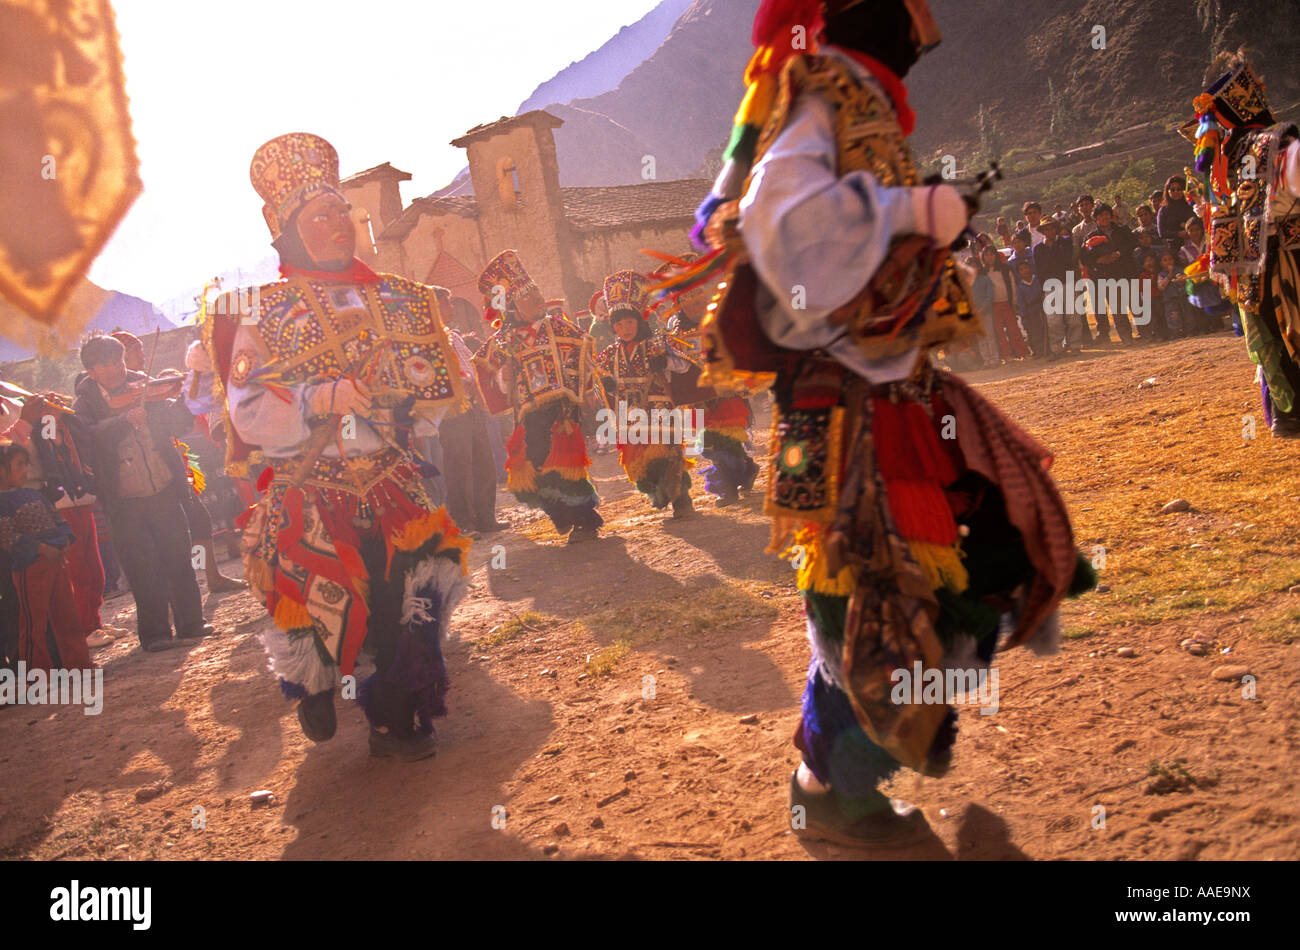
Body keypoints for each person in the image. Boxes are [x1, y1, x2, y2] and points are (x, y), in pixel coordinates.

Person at [691, 0, 1094, 846]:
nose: (925, 25)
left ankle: (830, 776)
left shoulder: (853, 101)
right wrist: (912, 215)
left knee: (956, 570)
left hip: (892, 399)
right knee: (873, 603)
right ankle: (834, 786)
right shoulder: (824, 94)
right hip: (835, 412)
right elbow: (780, 220)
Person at [208, 132, 471, 759]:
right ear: (289, 232)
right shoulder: (262, 312)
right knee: (318, 597)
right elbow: (245, 408)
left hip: (388, 476)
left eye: (341, 211)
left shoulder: (396, 298)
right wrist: (315, 399)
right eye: (318, 215)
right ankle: (316, 688)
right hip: (313, 479)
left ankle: (397, 714)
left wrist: (412, 406)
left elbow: (428, 389)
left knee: (413, 596)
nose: (338, 224)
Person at [73, 335, 211, 652]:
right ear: (91, 371)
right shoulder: (84, 403)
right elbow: (89, 439)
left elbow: (177, 424)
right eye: (105, 364)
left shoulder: (145, 386)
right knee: (142, 566)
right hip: (123, 497)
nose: (115, 369)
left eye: (118, 361)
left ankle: (192, 624)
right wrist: (123, 420)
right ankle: (155, 634)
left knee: (179, 557)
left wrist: (183, 397)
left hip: (163, 486)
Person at [1186, 54, 1300, 436]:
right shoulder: (1280, 142)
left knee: (1268, 334)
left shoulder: (1227, 153)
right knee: (1290, 328)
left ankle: (1285, 415)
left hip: (1247, 266)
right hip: (1286, 254)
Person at [473, 250, 604, 543]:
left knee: (565, 464)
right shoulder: (504, 339)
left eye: (538, 297)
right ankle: (562, 514)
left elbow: (581, 349)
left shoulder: (555, 325)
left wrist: (583, 390)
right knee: (532, 467)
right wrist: (502, 377)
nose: (538, 303)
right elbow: (486, 369)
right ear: (512, 305)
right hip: (528, 414)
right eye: (529, 299)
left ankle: (584, 520)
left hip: (561, 409)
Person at [114, 331, 244, 593]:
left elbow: (175, 422)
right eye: (136, 351)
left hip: (168, 460)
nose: (142, 355)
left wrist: (187, 391)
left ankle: (211, 576)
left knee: (197, 516)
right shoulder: (111, 393)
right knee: (165, 532)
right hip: (141, 472)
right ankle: (179, 589)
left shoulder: (147, 385)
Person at [656, 259, 762, 506]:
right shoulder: (676, 337)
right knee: (712, 445)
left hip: (728, 395)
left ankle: (734, 482)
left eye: (698, 301)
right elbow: (677, 367)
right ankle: (738, 477)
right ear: (680, 306)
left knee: (726, 440)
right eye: (688, 304)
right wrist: (664, 365)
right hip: (700, 400)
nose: (695, 307)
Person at [593, 270, 698, 518]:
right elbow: (597, 379)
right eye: (618, 324)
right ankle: (663, 493)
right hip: (630, 415)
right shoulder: (609, 353)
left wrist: (665, 363)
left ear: (640, 321)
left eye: (629, 322)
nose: (624, 328)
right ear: (612, 327)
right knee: (643, 462)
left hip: (660, 410)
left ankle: (682, 501)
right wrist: (606, 384)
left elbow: (684, 364)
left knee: (668, 455)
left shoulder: (657, 343)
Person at [0, 442, 94, 673]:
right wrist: (43, 549)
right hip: (29, 568)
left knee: (67, 617)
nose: (25, 471)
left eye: (26, 464)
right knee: (33, 624)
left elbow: (58, 520)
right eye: (18, 465)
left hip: (56, 563)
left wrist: (63, 544)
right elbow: (10, 538)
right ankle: (37, 675)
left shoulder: (34, 494)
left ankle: (79, 666)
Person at [1156, 175, 1195, 253]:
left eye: (1179, 189)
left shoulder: (1191, 206)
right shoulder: (1163, 210)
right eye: (1172, 190)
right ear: (1167, 191)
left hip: (1193, 245)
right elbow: (1161, 233)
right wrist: (1178, 234)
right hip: (1173, 248)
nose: (1176, 192)